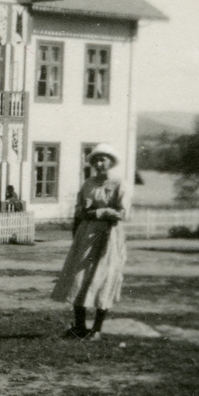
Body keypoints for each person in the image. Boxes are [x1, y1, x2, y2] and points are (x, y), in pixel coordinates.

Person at [52, 142, 131, 340]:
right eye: (95, 160)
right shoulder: (88, 184)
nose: (99, 163)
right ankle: (79, 326)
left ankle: (97, 328)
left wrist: (97, 212)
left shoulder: (121, 184)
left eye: (103, 159)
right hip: (86, 234)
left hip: (109, 235)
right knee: (79, 277)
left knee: (103, 277)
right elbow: (79, 209)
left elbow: (123, 213)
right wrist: (83, 209)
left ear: (111, 162)